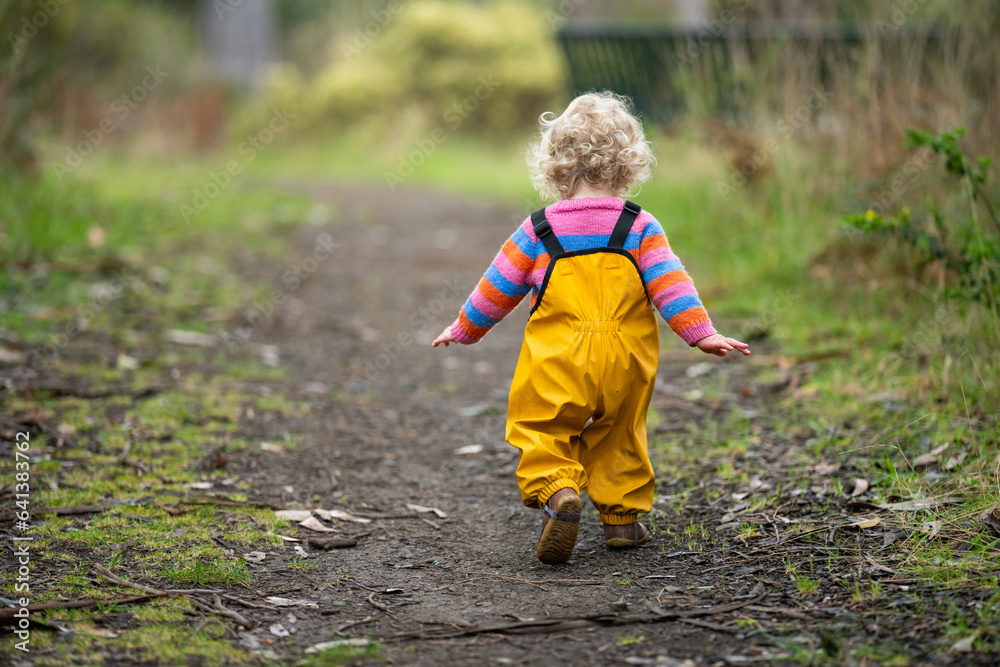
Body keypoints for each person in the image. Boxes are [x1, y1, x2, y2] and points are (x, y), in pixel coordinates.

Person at [432, 92, 750, 565]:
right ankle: (622, 520)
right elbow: (670, 283)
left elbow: (498, 286)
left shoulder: (540, 230)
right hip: (626, 359)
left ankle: (558, 490)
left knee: (541, 426)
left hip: (558, 359)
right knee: (621, 432)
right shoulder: (639, 226)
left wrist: (464, 327)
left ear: (555, 166)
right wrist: (700, 332)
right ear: (628, 165)